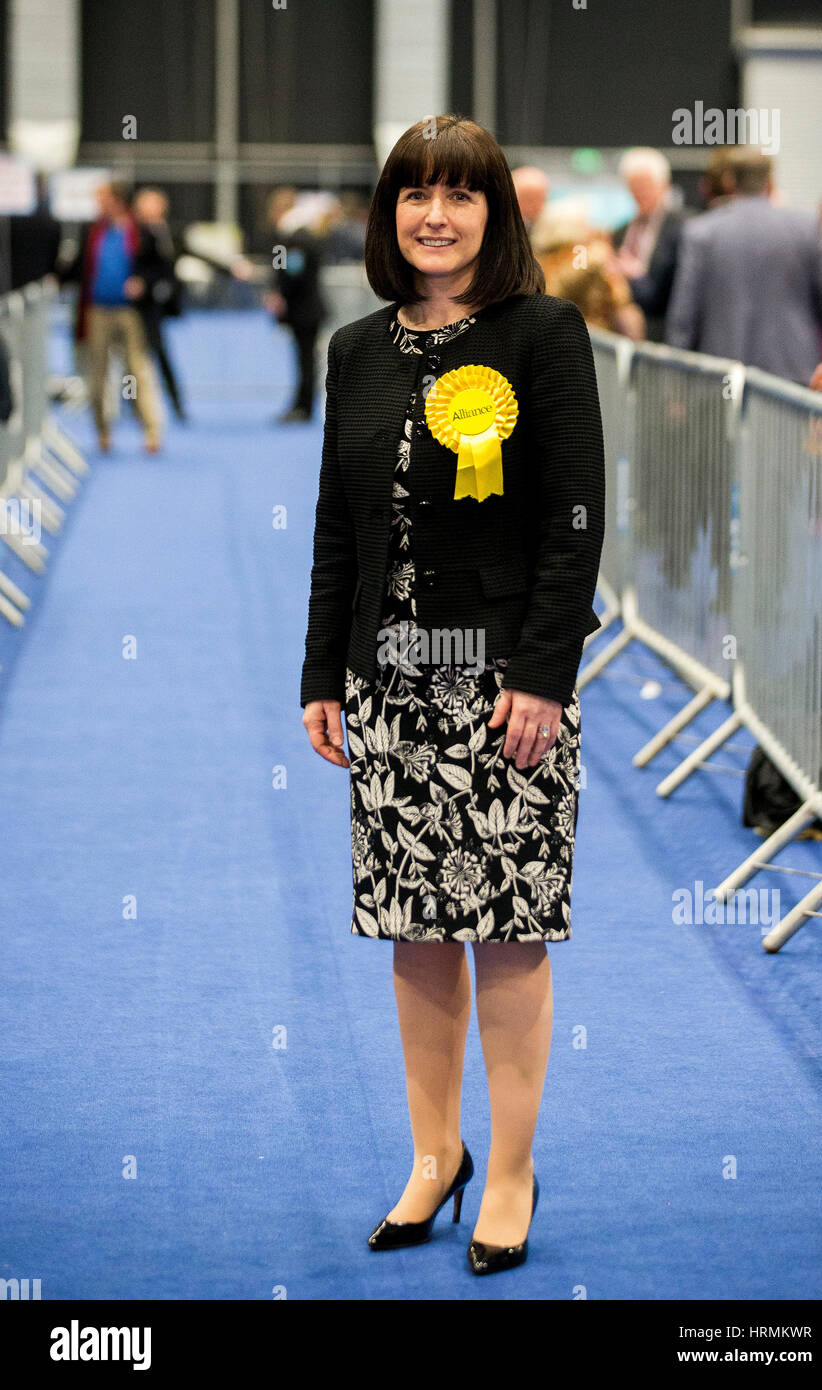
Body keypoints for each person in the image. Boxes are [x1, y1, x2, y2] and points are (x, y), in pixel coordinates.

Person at [299, 115, 605, 1276]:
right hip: (386, 689)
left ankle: (512, 1171)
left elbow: (577, 517)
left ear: (493, 213)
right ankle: (436, 1154)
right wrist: (322, 673)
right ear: (388, 215)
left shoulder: (545, 334)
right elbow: (339, 527)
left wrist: (541, 673)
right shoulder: (355, 351)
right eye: (414, 193)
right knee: (417, 929)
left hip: (504, 693)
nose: (435, 213)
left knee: (508, 931)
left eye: (459, 195)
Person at [666, 151, 822, 384]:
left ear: (729, 181)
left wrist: (675, 380)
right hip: (793, 376)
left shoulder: (701, 232)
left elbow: (684, 315)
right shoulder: (806, 227)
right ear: (770, 181)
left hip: (723, 376)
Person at [132, 186, 255, 422]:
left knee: (158, 354)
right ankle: (134, 406)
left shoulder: (172, 233)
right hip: (134, 306)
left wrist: (231, 268)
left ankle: (176, 405)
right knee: (135, 358)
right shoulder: (133, 234)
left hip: (159, 307)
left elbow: (198, 254)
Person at [59, 181, 163, 453]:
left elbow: (159, 268)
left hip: (130, 312)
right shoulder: (92, 231)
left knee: (137, 371)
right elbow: (75, 267)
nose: (98, 205)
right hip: (97, 311)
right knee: (97, 374)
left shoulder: (140, 232)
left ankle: (151, 431)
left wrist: (143, 282)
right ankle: (102, 431)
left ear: (117, 201)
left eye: (102, 199)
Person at [609, 147, 686, 342]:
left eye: (645, 185)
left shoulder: (683, 228)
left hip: (661, 333)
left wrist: (636, 274)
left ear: (663, 185)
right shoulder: (620, 231)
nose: (639, 192)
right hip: (624, 335)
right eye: (634, 186)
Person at [264, 188, 328, 423]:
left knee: (305, 360)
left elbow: (290, 271)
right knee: (305, 359)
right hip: (305, 308)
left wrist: (279, 294)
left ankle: (303, 408)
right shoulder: (298, 236)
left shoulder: (294, 238)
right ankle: (302, 406)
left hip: (304, 309)